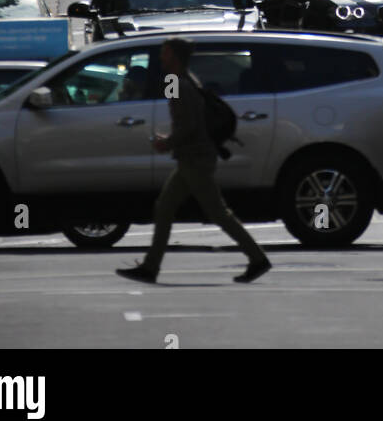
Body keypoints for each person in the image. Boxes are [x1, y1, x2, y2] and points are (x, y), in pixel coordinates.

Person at [116, 38, 271, 284]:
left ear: (175, 57)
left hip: (195, 159)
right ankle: (150, 266)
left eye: (165, 53)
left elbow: (186, 125)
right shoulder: (184, 80)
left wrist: (166, 142)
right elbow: (182, 118)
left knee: (218, 213)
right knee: (166, 207)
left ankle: (258, 258)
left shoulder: (176, 82)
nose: (161, 58)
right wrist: (171, 139)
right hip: (193, 157)